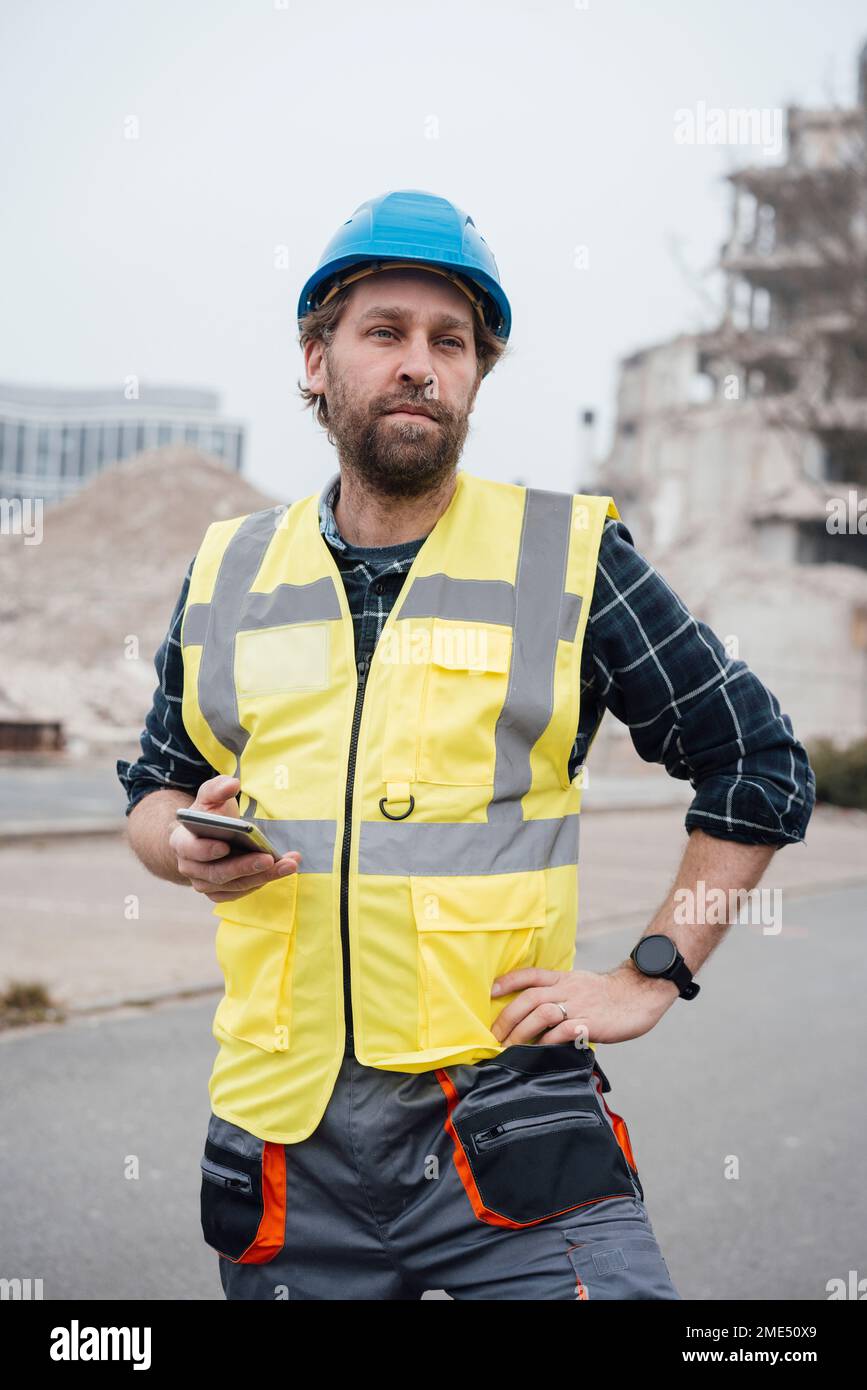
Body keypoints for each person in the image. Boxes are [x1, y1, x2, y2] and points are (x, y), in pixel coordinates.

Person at [117, 189, 815, 1300]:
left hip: (508, 1125)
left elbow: (759, 760)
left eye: (452, 342)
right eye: (384, 332)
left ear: (478, 376)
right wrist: (181, 844)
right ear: (316, 360)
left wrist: (652, 974)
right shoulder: (229, 570)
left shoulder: (570, 554)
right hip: (282, 1138)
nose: (421, 365)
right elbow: (152, 790)